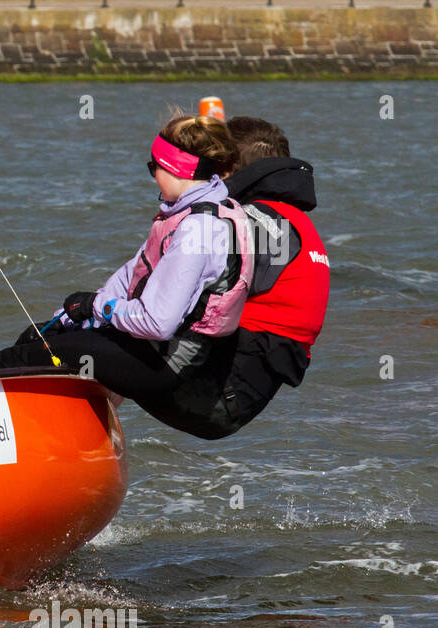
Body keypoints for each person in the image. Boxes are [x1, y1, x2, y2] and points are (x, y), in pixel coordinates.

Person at [0, 115, 254, 402]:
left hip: (165, 364)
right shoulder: (208, 210)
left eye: (154, 167)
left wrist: (98, 307)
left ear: (177, 169)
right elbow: (132, 275)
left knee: (11, 359)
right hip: (153, 349)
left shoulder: (197, 228)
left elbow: (158, 323)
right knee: (36, 337)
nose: (153, 176)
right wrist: (75, 315)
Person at [135, 116, 329, 438]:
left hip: (214, 396)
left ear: (229, 171)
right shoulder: (290, 220)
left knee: (99, 329)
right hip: (233, 396)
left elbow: (177, 300)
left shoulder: (261, 223)